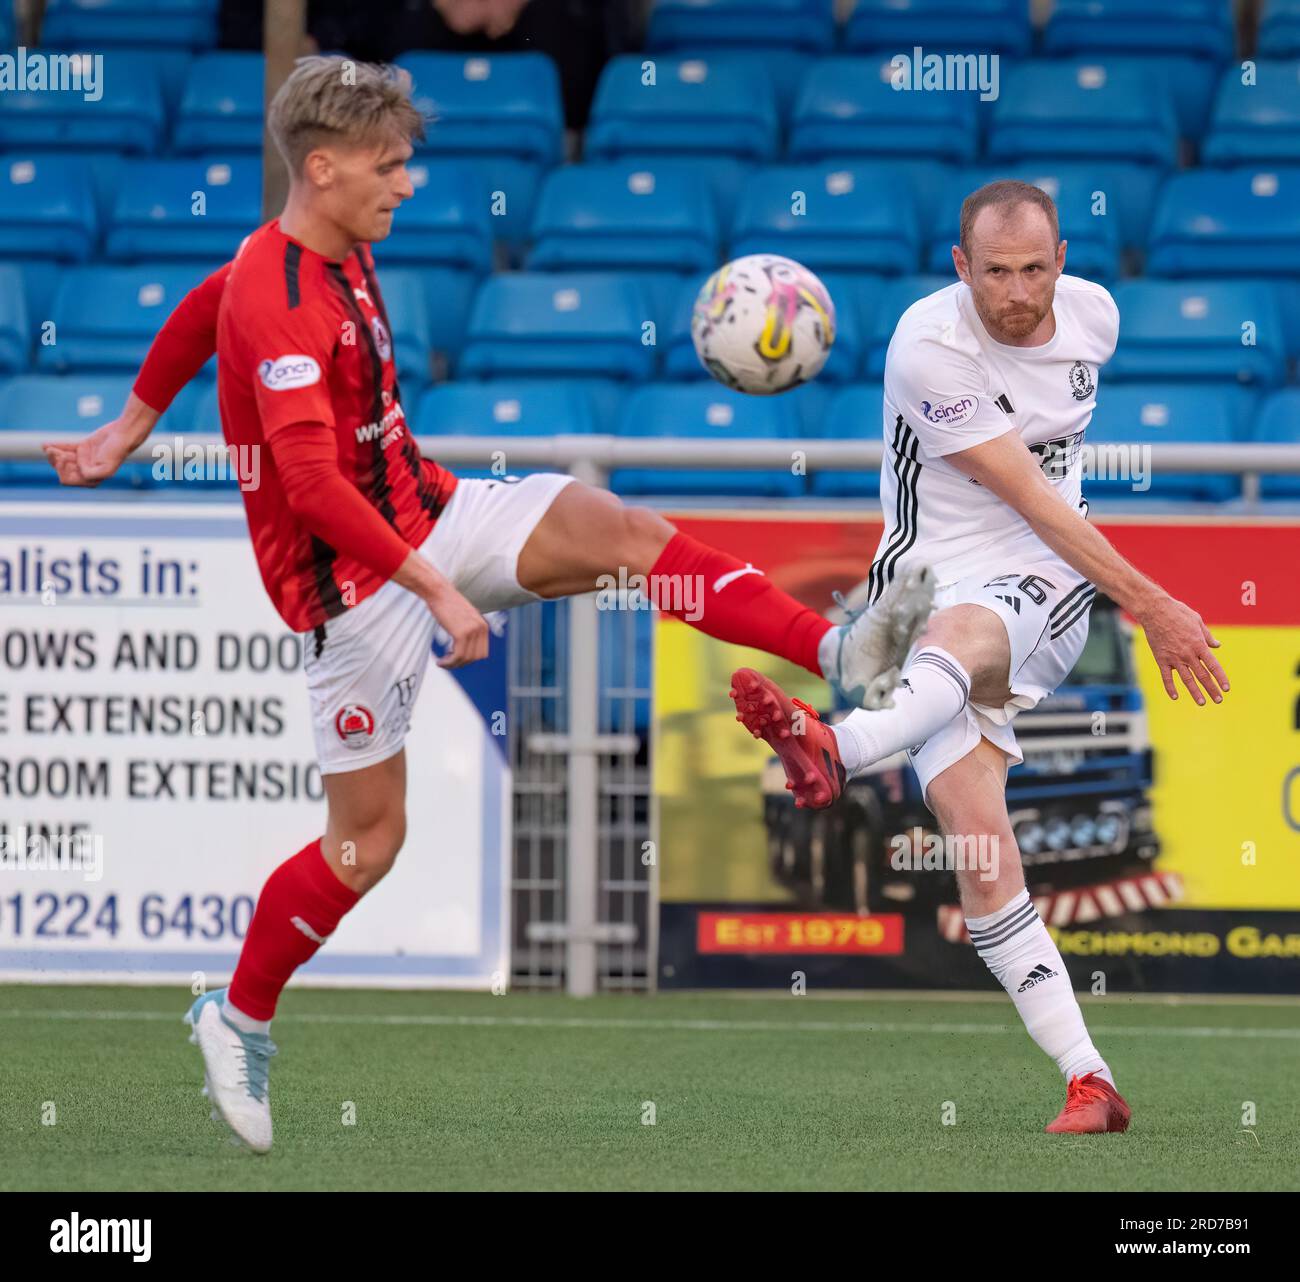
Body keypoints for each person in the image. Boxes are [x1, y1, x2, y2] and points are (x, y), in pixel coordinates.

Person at [44, 55, 890, 1153]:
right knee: (368, 840)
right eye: (389, 168)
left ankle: (835, 647)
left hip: (433, 507)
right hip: (349, 592)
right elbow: (309, 487)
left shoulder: (302, 248)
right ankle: (236, 1013)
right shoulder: (286, 301)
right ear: (322, 165)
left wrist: (129, 423)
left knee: (622, 532)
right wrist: (438, 590)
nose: (406, 187)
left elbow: (205, 300)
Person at [732, 179, 1231, 1136]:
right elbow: (1023, 487)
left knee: (962, 639)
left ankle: (837, 746)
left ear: (1062, 262)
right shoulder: (929, 347)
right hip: (925, 593)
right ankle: (1092, 1080)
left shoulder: (1095, 318)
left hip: (1044, 580)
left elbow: (1048, 518)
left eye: (1034, 268)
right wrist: (1157, 602)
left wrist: (1142, 602)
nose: (1017, 291)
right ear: (962, 268)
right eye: (995, 271)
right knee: (981, 853)